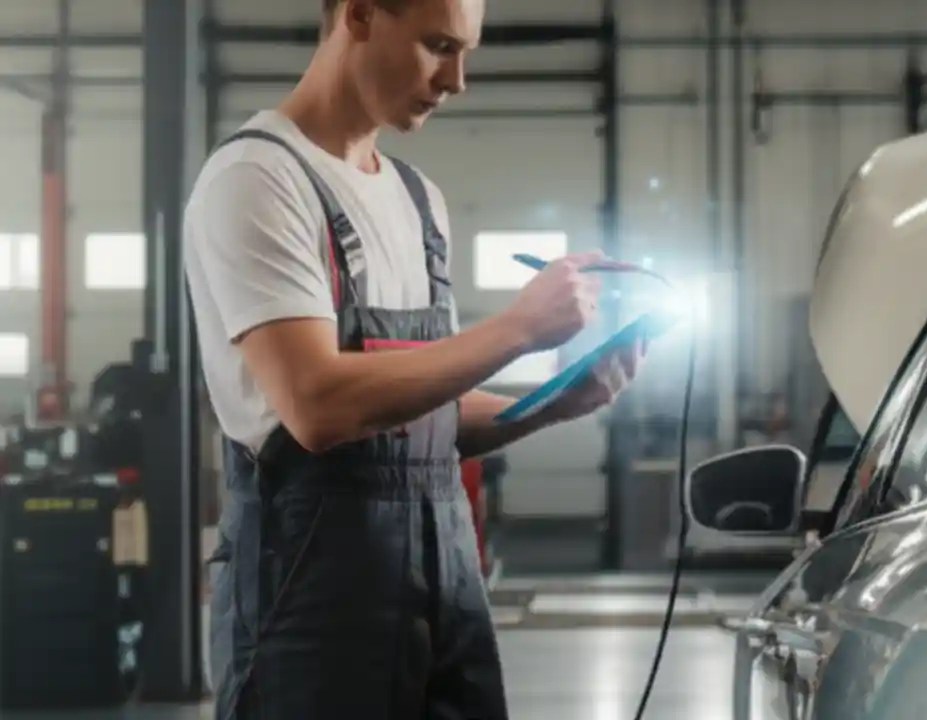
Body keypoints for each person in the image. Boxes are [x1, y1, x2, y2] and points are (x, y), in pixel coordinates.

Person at [182, 0, 643, 717]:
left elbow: (424, 413)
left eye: (466, 52)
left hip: (445, 580)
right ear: (360, 15)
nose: (456, 80)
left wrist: (556, 403)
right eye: (438, 46)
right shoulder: (257, 179)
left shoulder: (418, 199)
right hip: (310, 597)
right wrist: (520, 329)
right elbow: (319, 404)